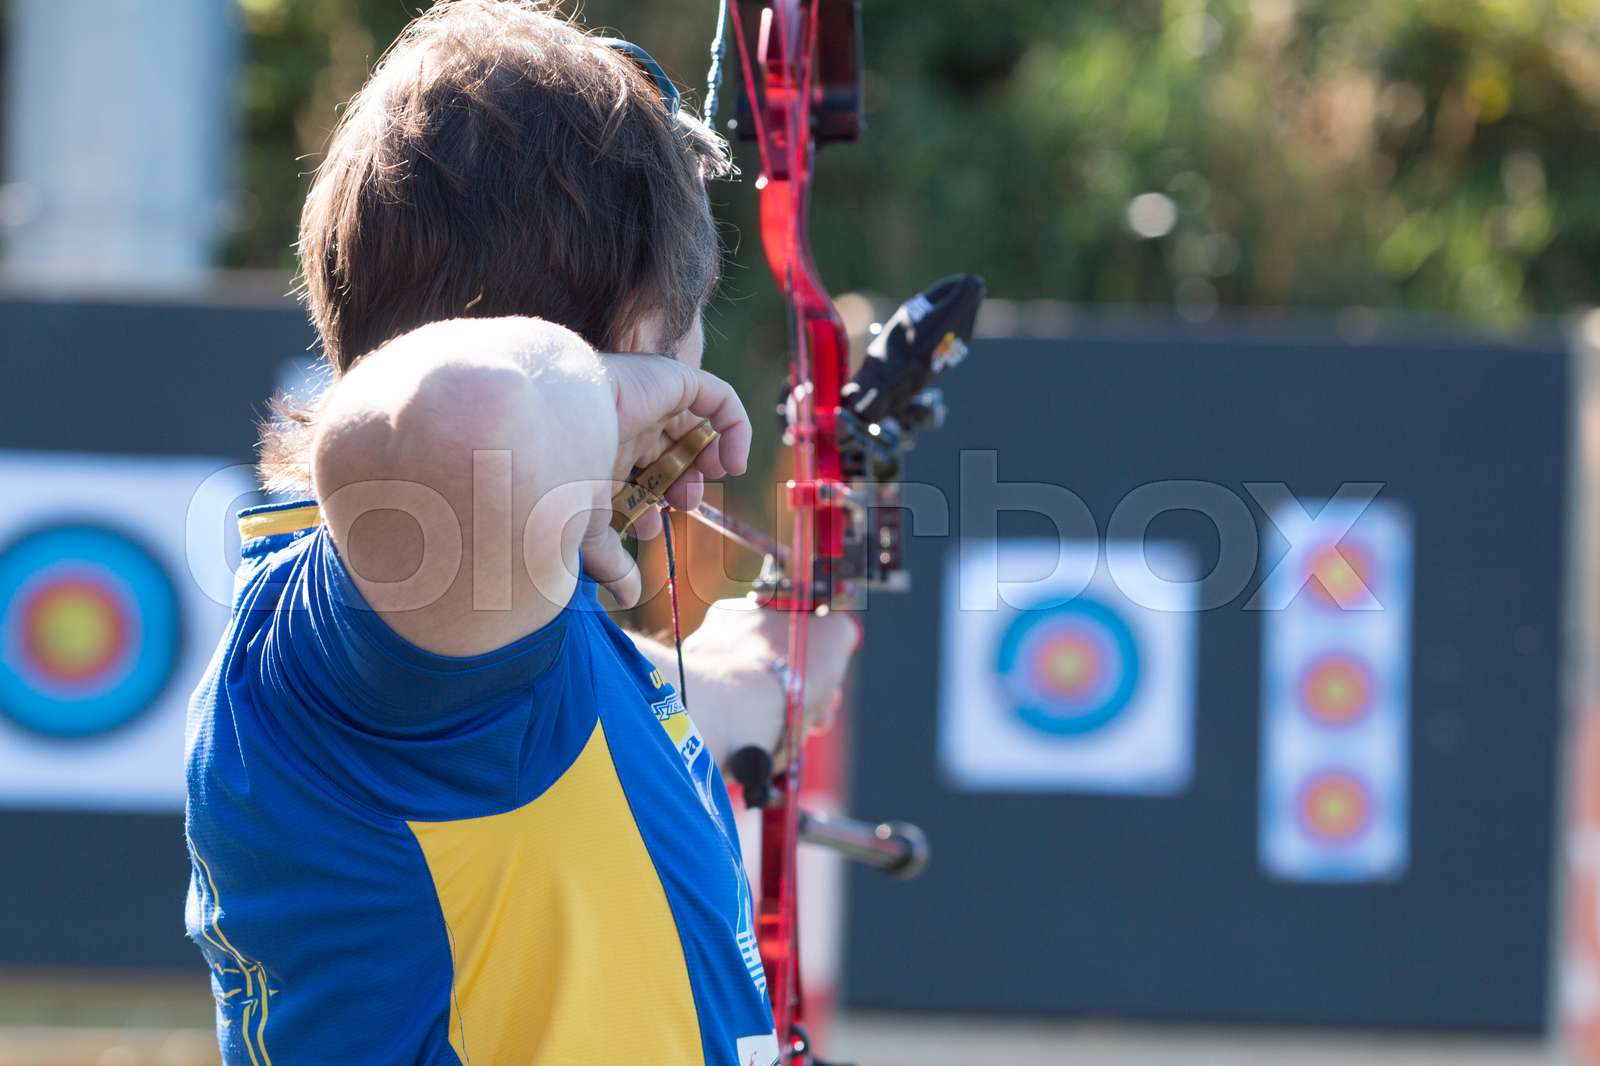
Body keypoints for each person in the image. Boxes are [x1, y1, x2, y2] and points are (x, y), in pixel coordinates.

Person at [183, 2, 858, 1063]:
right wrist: (622, 385)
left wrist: (771, 665)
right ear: (640, 334)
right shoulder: (368, 653)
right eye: (678, 340)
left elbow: (576, 762)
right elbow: (462, 415)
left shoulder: (495, 659)